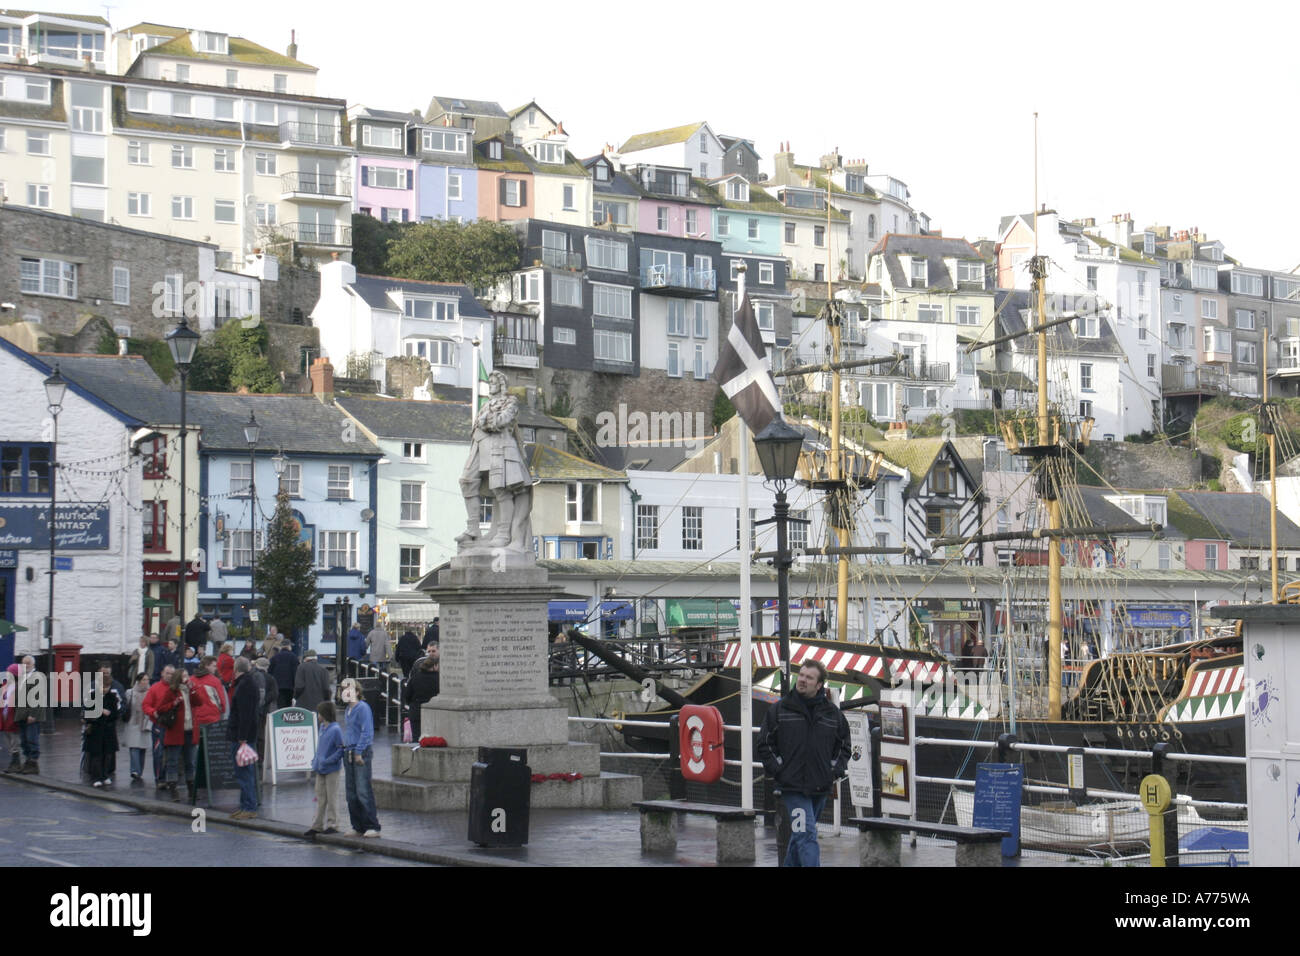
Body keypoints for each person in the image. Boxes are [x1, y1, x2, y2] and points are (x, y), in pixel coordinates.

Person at [756, 659, 851, 868]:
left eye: (809, 677)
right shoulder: (780, 710)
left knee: (800, 836)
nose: (802, 680)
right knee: (807, 835)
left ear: (819, 685)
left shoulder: (832, 714)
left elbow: (844, 745)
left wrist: (833, 771)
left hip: (819, 787)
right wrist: (780, 770)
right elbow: (764, 743)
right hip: (793, 788)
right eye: (801, 675)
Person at [142, 665, 202, 798]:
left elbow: (199, 702)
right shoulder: (171, 691)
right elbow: (161, 708)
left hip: (190, 730)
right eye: (184, 676)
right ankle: (172, 787)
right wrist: (174, 703)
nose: (186, 678)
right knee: (172, 760)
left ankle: (191, 788)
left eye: (187, 676)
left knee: (190, 761)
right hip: (175, 730)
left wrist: (192, 688)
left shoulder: (190, 690)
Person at [340, 677, 380, 837]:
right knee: (351, 792)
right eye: (343, 689)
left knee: (363, 790)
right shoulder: (347, 710)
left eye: (349, 689)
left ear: (357, 692)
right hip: (348, 751)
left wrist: (358, 752)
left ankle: (372, 826)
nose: (345, 692)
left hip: (360, 752)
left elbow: (367, 732)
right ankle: (357, 825)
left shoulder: (363, 708)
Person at [227, 657, 260, 819]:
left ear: (236, 668)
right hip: (246, 735)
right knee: (244, 773)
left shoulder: (245, 685)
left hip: (242, 737)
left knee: (244, 773)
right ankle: (244, 805)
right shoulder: (248, 682)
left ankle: (249, 807)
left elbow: (245, 714)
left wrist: (242, 737)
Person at [305, 700, 343, 837]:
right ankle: (317, 825)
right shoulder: (322, 728)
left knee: (332, 797)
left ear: (325, 714)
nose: (317, 715)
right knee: (320, 798)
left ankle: (333, 824)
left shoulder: (336, 729)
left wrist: (328, 761)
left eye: (319, 713)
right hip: (320, 768)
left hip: (331, 769)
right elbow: (320, 747)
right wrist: (315, 761)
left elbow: (340, 750)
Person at [83, 670, 121, 787]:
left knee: (108, 755)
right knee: (96, 756)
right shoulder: (92, 696)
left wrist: (109, 714)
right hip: (96, 730)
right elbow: (87, 714)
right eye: (103, 687)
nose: (105, 689)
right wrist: (100, 711)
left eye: (107, 687)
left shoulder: (112, 697)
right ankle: (96, 777)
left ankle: (105, 775)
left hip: (109, 731)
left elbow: (115, 714)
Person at [121, 672, 153, 783]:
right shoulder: (129, 692)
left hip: (145, 723)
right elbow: (125, 706)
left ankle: (139, 772)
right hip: (132, 722)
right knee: (134, 747)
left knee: (142, 749)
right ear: (138, 681)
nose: (146, 682)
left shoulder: (151, 693)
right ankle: (134, 771)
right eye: (144, 679)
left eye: (147, 679)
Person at [402, 650, 439, 739]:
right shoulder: (438, 679)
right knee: (432, 738)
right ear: (434, 666)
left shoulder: (414, 678)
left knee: (416, 738)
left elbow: (407, 695)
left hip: (416, 711)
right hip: (433, 713)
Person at [15, 656, 40, 774]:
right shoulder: (21, 678)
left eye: (28, 663)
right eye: (24, 663)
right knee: (23, 740)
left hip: (31, 714)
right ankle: (27, 761)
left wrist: (33, 714)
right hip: (21, 714)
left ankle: (33, 763)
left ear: (33, 664)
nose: (26, 665)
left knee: (32, 739)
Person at [0, 664, 20, 773]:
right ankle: (14, 762)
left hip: (13, 716)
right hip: (5, 715)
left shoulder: (19, 686)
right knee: (8, 739)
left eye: (9, 673)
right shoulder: (6, 685)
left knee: (14, 741)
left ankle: (16, 763)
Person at [269, 642, 298, 708]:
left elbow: (270, 671)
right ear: (289, 646)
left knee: (280, 705)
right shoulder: (294, 657)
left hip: (278, 685)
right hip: (290, 686)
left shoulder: (274, 657)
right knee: (288, 705)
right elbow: (295, 672)